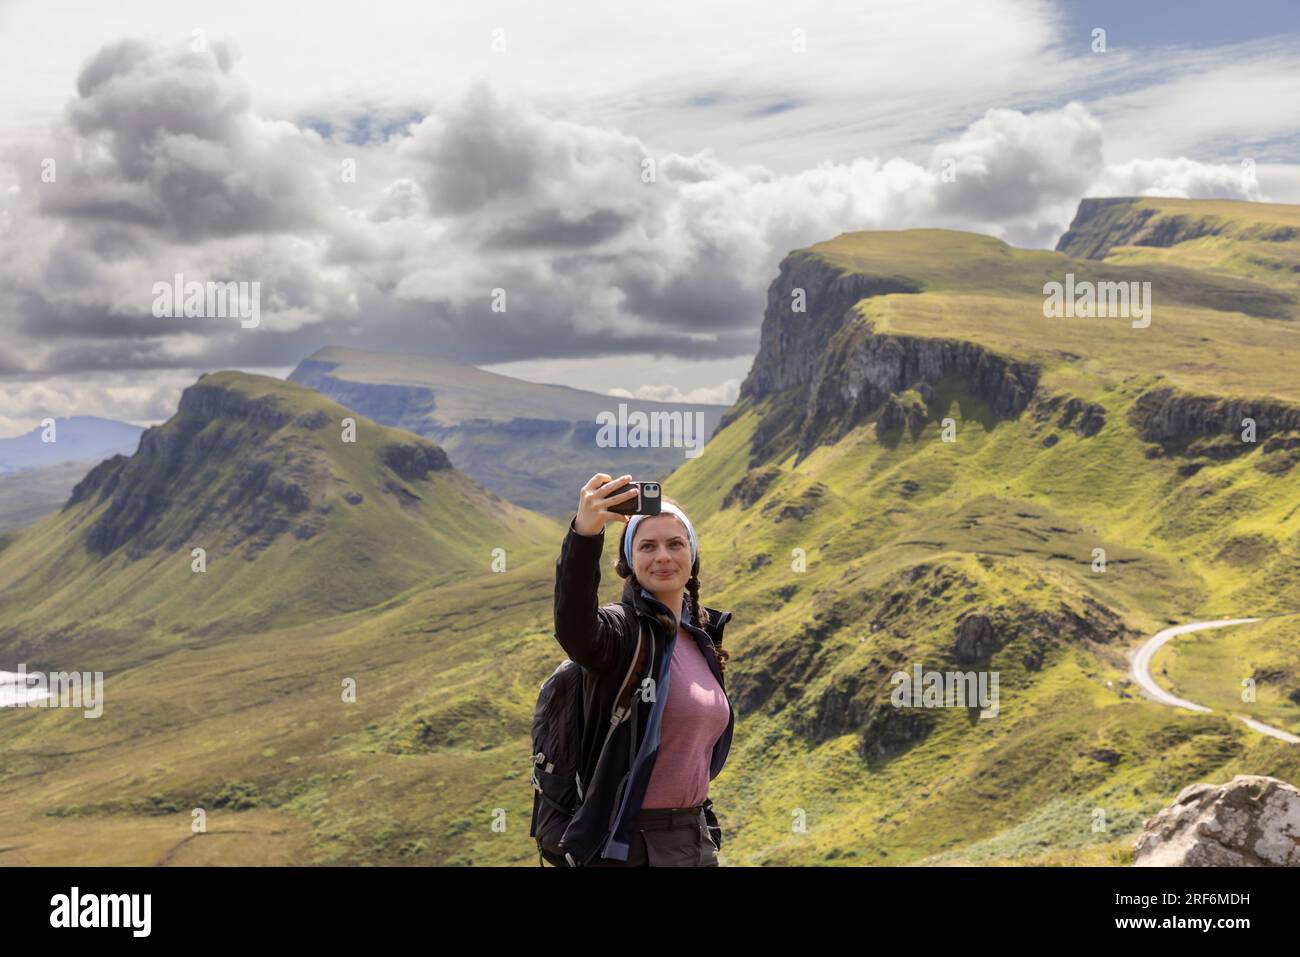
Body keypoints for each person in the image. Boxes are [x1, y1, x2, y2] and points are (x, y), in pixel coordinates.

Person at [551, 472, 735, 866]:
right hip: (629, 844)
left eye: (675, 544)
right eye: (647, 546)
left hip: (694, 837)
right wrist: (585, 533)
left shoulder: (700, 636)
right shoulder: (622, 633)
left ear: (692, 556)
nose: (663, 556)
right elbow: (575, 629)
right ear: (630, 562)